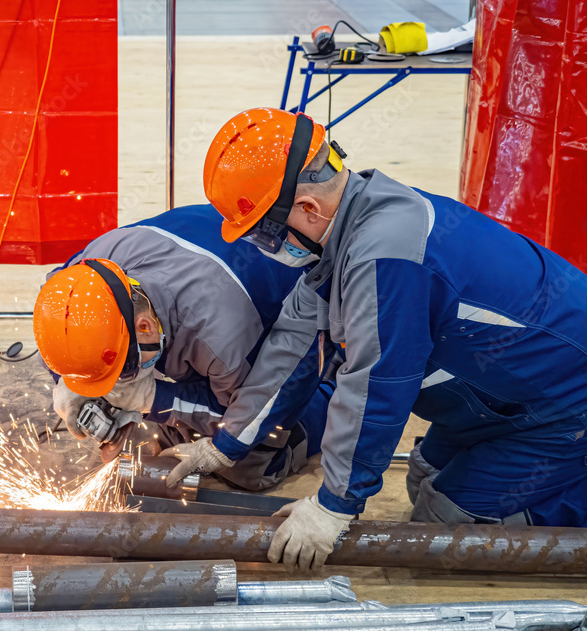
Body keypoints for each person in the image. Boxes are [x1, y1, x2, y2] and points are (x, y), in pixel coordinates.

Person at [166, 107, 587, 571]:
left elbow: (376, 385)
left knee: (445, 524)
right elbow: (291, 351)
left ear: (308, 209)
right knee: (423, 478)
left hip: (564, 408)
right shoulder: (348, 234)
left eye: (265, 235)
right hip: (504, 400)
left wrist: (334, 506)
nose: (267, 248)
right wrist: (224, 446)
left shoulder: (386, 259)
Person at [33, 204, 335, 491]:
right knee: (149, 421)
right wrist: (68, 381)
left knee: (249, 459)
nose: (118, 383)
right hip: (212, 255)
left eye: (123, 371)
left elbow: (236, 414)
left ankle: (327, 395)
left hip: (299, 306)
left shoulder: (221, 339)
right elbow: (59, 318)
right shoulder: (82, 277)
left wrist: (154, 398)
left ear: (145, 327)